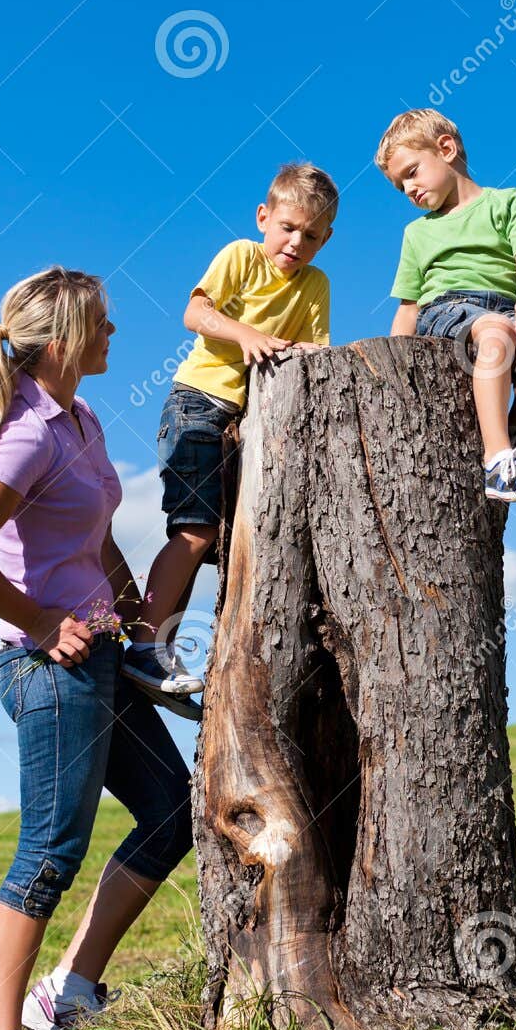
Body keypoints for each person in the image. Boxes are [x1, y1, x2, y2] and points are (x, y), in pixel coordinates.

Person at [0, 266, 192, 1030]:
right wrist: (42, 622)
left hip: (103, 656)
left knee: (175, 810)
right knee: (49, 852)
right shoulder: (26, 434)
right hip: (49, 668)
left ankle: (69, 986)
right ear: (65, 337)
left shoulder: (77, 420)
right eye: (104, 323)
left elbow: (95, 540)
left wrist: (137, 620)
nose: (116, 334)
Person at [121, 162, 337, 707]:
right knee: (192, 531)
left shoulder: (315, 284)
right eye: (287, 227)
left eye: (311, 235)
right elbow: (195, 312)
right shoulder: (240, 255)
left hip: (250, 424)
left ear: (326, 238)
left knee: (219, 541)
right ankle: (144, 645)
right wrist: (246, 334)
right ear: (264, 217)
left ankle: (161, 650)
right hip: (197, 402)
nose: (296, 242)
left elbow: (312, 350)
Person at [377, 108, 516, 501]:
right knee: (496, 334)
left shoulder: (506, 202)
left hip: (508, 309)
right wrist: (396, 358)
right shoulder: (416, 233)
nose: (408, 189)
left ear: (445, 148)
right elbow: (409, 305)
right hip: (447, 310)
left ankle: (512, 429)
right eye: (399, 186)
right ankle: (496, 462)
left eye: (411, 172)